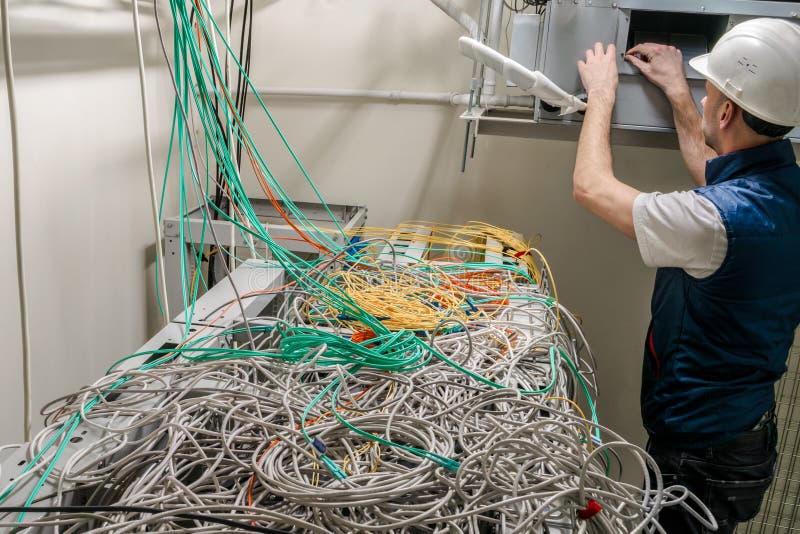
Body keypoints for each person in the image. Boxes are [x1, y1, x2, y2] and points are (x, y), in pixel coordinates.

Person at [571, 18, 800, 534]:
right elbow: (712, 173)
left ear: (725, 110)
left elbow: (591, 187)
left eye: (708, 93)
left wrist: (603, 94)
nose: (703, 101)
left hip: (700, 459)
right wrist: (678, 91)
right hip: (741, 440)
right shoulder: (780, 192)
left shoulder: (717, 220)